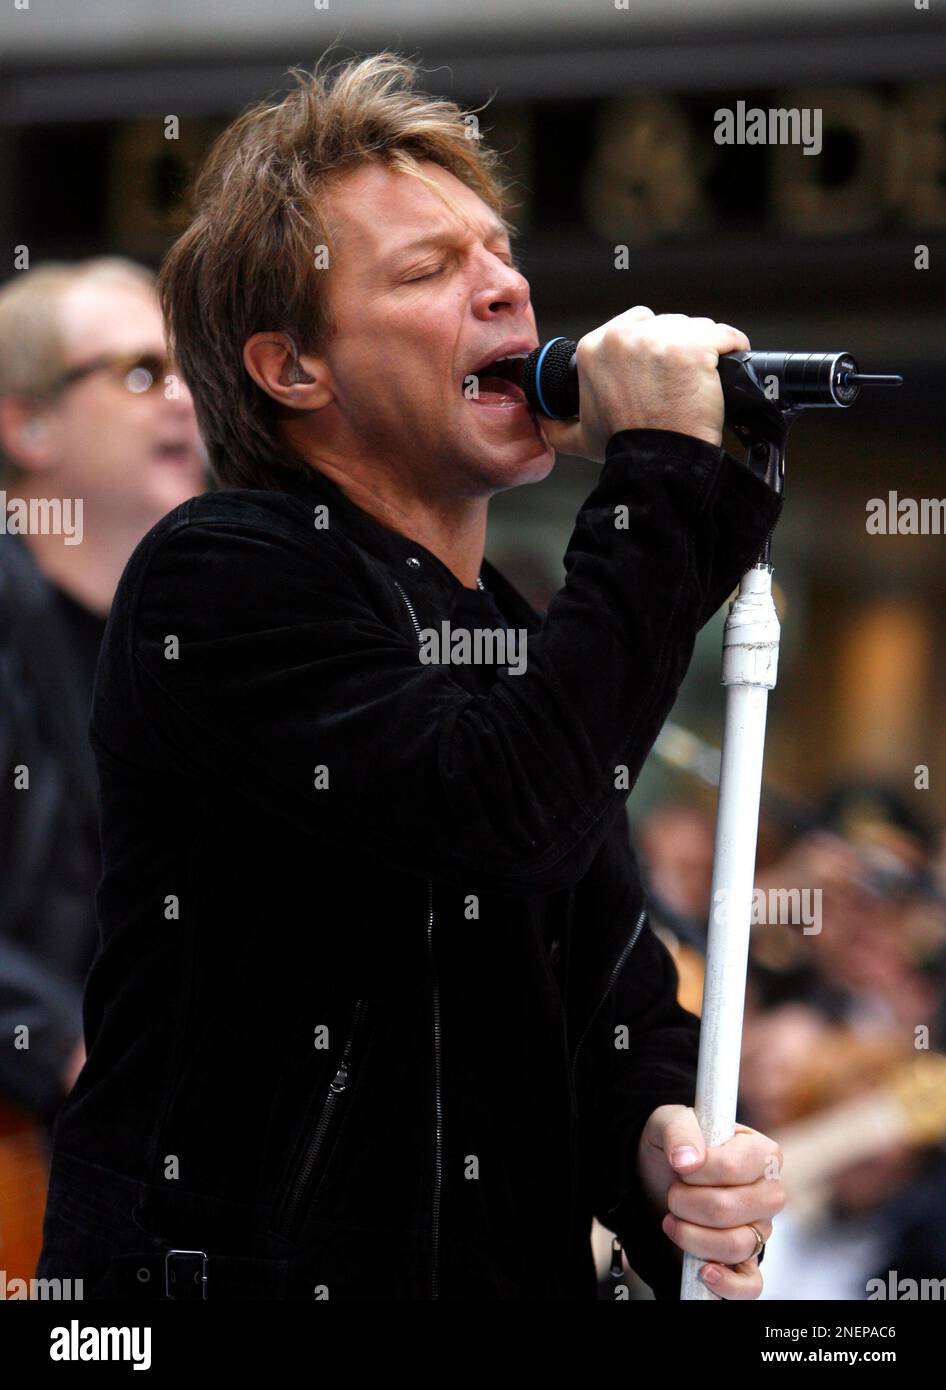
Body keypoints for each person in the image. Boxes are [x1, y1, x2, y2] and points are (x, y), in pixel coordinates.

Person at [37, 53, 785, 1302]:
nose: (503, 288)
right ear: (291, 369)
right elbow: (492, 809)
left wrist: (659, 1145)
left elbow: (610, 985)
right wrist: (656, 476)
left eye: (499, 253)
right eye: (430, 271)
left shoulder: (507, 628)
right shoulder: (220, 572)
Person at [0, 258, 206, 1126]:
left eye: (189, 369)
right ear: (28, 426)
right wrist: (62, 1047)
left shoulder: (199, 639)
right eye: (139, 373)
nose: (185, 399)